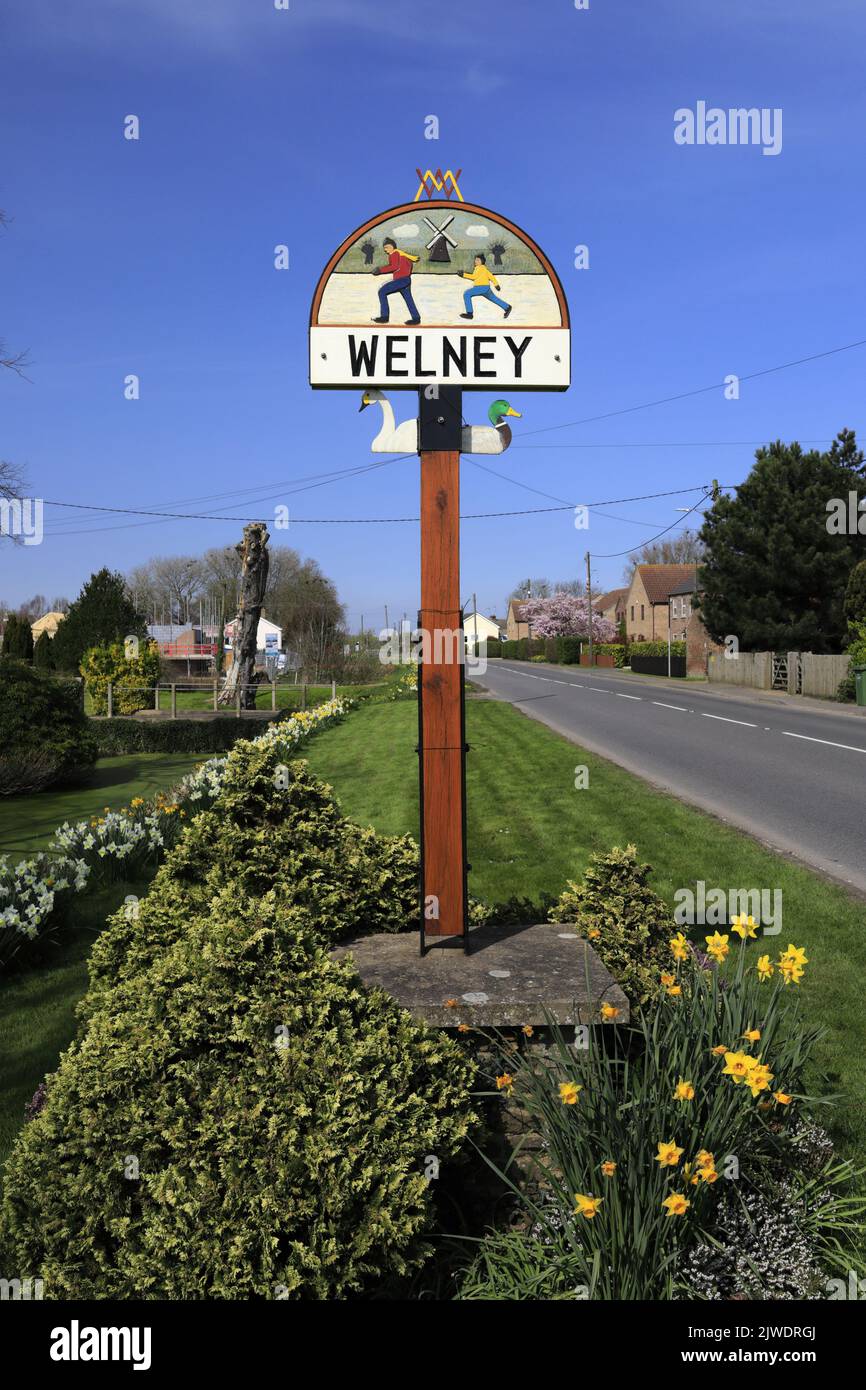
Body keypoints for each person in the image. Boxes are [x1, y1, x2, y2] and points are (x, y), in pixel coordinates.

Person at [372, 237, 421, 324]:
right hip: (406, 280)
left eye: (387, 247)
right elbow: (408, 265)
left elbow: (394, 267)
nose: (385, 250)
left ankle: (384, 316)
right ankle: (416, 318)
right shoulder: (403, 254)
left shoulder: (394, 254)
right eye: (384, 248)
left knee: (382, 292)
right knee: (408, 299)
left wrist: (380, 270)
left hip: (401, 280)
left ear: (392, 246)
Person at [459, 254, 511, 319]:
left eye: (478, 260)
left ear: (482, 261)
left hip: (481, 287)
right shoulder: (484, 269)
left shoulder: (480, 268)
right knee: (493, 298)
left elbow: (473, 277)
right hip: (486, 288)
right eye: (475, 260)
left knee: (467, 294)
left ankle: (469, 313)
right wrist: (496, 284)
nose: (475, 261)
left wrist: (463, 274)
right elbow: (491, 277)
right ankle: (507, 307)